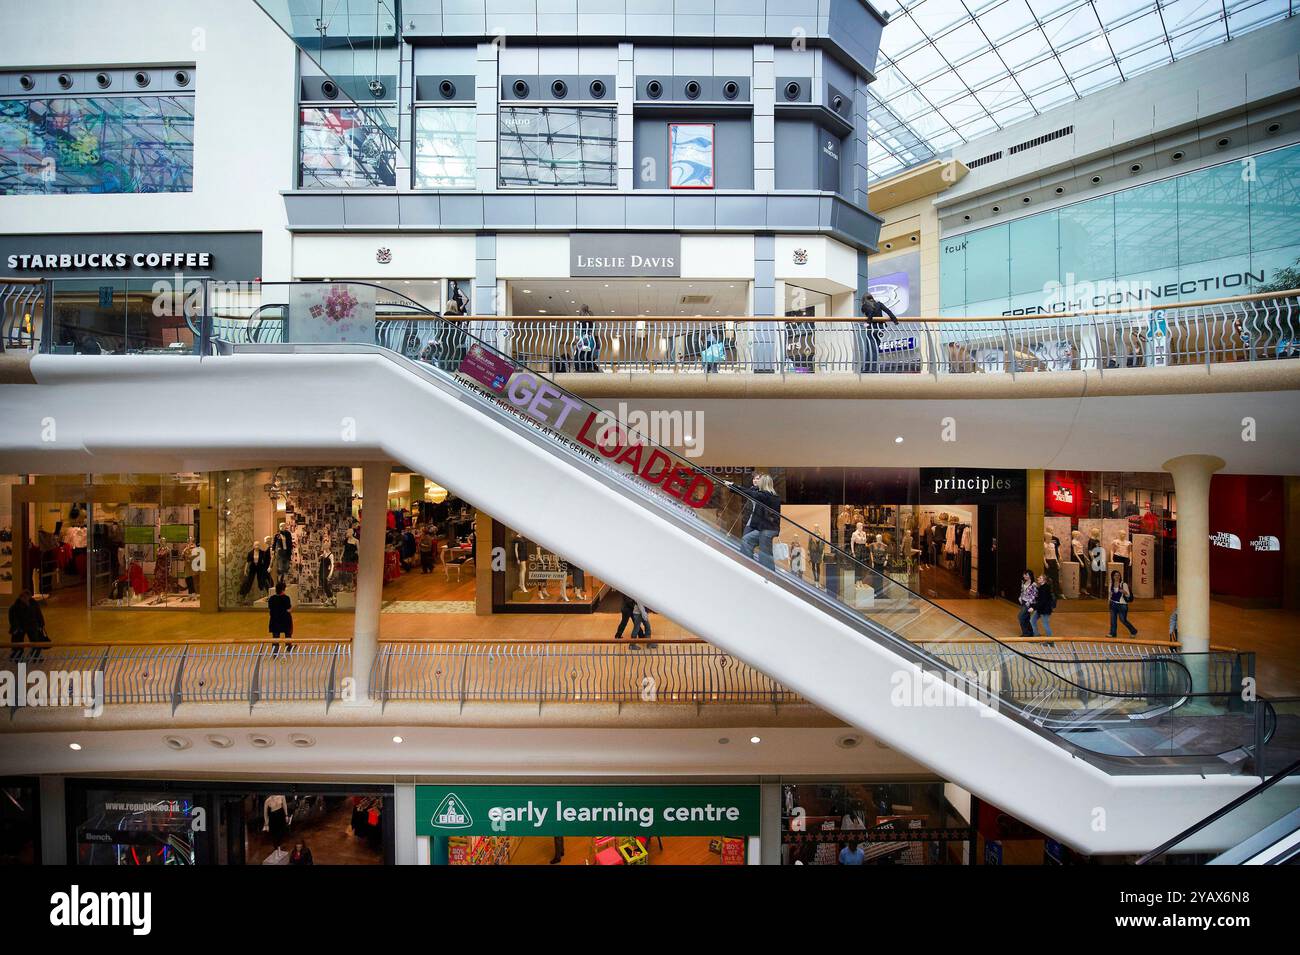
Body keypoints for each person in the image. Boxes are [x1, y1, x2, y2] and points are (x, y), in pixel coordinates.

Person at [740, 472, 782, 570]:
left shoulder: (767, 496)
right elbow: (753, 492)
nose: (757, 482)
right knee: (747, 540)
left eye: (760, 481)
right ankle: (749, 566)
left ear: (763, 484)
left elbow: (753, 494)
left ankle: (768, 574)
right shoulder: (769, 495)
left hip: (767, 529)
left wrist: (734, 486)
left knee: (765, 553)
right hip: (764, 528)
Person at [857, 291, 898, 373]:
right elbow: (888, 311)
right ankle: (872, 368)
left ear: (864, 300)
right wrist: (895, 320)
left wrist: (866, 324)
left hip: (872, 329)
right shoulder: (879, 304)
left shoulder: (865, 305)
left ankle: (869, 369)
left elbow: (871, 314)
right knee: (875, 349)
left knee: (870, 349)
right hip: (880, 329)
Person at [7, 588, 47, 661]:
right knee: (18, 642)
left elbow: (38, 614)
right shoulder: (15, 607)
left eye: (27, 597)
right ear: (21, 597)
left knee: (35, 641)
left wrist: (41, 624)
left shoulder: (33, 603)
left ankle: (35, 656)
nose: (26, 599)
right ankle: (17, 656)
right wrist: (15, 628)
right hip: (20, 627)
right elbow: (13, 618)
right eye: (24, 597)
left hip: (32, 625)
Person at [1108, 570, 1138, 637]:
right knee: (1113, 620)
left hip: (1122, 605)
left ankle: (1133, 631)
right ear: (1112, 576)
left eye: (1118, 575)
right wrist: (1109, 602)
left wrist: (1124, 592)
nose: (1117, 577)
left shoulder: (1123, 584)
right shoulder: (1111, 584)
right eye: (1115, 575)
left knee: (1123, 620)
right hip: (1113, 604)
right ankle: (1113, 633)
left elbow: (1128, 595)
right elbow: (1110, 595)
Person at [268, 581, 293, 657]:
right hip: (285, 620)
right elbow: (288, 609)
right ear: (283, 590)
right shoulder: (286, 598)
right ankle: (288, 647)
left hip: (274, 620)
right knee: (288, 634)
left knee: (275, 636)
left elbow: (270, 609)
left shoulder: (271, 598)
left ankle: (275, 652)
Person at [1031, 573, 1056, 637]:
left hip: (1045, 610)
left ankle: (1050, 641)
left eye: (1040, 578)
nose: (1038, 579)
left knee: (1045, 624)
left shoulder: (1045, 588)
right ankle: (1036, 635)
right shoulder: (1042, 587)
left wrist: (1033, 608)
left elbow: (1042, 601)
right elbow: (1039, 598)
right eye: (1038, 578)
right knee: (1032, 621)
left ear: (1044, 580)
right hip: (1040, 609)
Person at [1016, 571, 1037, 637]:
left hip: (1028, 603)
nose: (1024, 576)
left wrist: (1028, 603)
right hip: (1023, 601)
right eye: (1024, 574)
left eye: (1026, 575)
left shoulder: (1033, 584)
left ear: (1030, 576)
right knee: (1026, 618)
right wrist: (1020, 597)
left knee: (1020, 617)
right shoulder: (1023, 582)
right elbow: (1022, 591)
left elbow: (1034, 595)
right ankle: (1030, 633)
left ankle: (1026, 633)